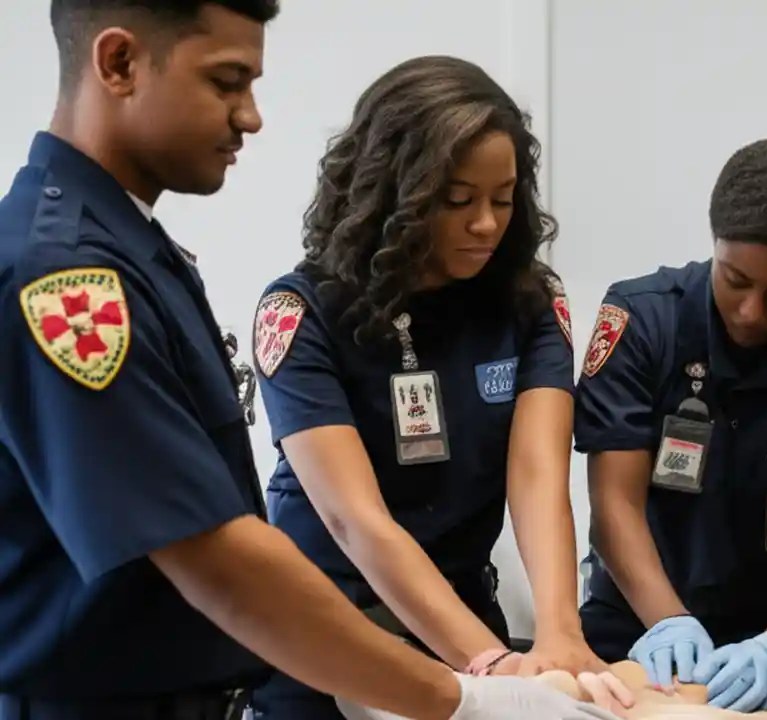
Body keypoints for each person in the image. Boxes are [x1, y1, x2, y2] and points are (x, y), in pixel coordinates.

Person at [0, 3, 619, 719]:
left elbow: (536, 471)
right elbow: (215, 556)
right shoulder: (66, 278)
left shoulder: (141, 255)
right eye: (227, 82)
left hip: (219, 679)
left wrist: (548, 638)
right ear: (118, 64)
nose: (252, 116)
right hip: (122, 696)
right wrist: (472, 692)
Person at [249, 55, 628, 718]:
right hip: (328, 632)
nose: (486, 223)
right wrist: (491, 668)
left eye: (503, 199)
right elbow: (355, 519)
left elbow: (537, 473)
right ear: (393, 193)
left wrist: (560, 631)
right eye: (457, 202)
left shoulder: (531, 302)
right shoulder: (300, 311)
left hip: (462, 610)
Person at [575, 138, 767, 719]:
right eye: (736, 279)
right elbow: (613, 506)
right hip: (640, 632)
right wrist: (669, 621)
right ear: (714, 240)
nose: (752, 311)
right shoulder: (643, 321)